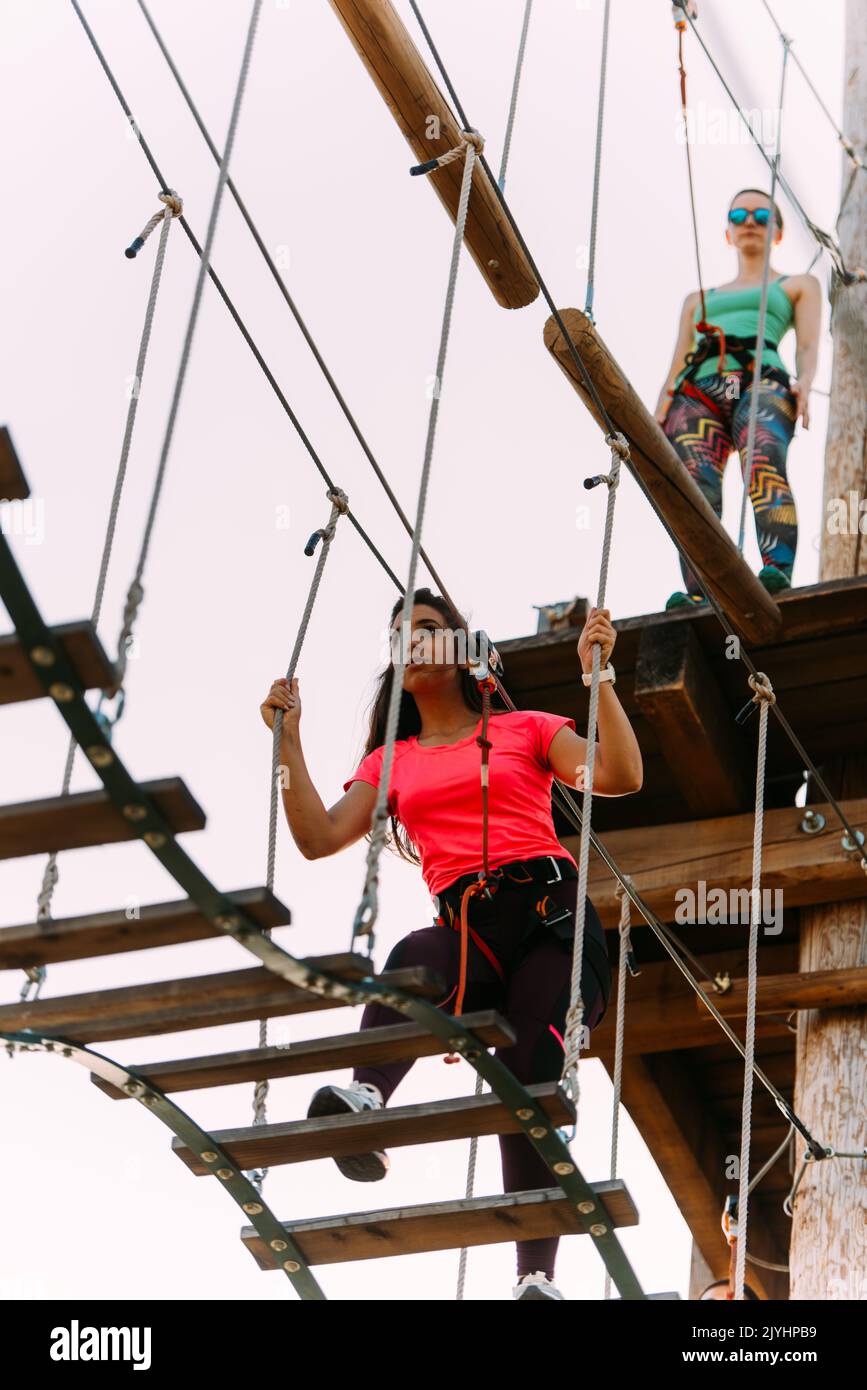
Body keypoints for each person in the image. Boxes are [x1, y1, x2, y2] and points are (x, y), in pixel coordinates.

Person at [260, 587, 643, 1300]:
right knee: (413, 959)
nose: (410, 639)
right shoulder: (391, 762)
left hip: (550, 914)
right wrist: (287, 739)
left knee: (528, 1070)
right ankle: (364, 1103)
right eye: (399, 631)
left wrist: (598, 676)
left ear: (464, 650)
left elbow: (620, 775)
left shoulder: (526, 729)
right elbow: (316, 838)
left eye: (429, 628)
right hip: (467, 923)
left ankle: (535, 1276)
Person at [654, 188, 821, 609]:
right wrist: (656, 414)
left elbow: (807, 344)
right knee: (695, 488)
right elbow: (677, 363)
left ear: (777, 232)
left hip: (761, 380)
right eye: (740, 214)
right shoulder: (698, 300)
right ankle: (701, 593)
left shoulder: (798, 285)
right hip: (697, 392)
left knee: (762, 461)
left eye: (762, 215)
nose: (750, 221)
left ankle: (776, 573)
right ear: (728, 232)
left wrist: (805, 380)